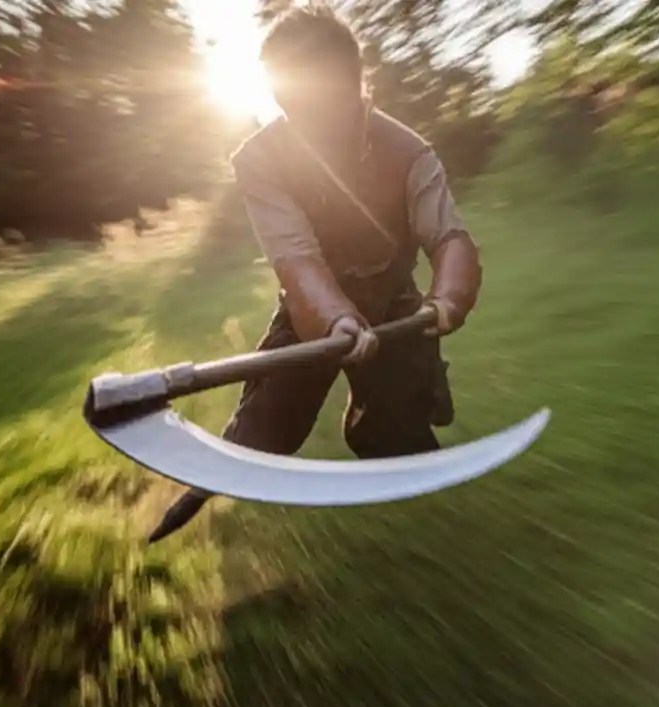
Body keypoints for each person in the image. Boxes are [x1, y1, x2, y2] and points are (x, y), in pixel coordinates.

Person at [147, 5, 482, 543]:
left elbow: (449, 237)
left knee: (399, 444)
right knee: (261, 434)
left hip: (396, 305)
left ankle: (384, 431)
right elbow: (295, 256)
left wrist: (448, 299)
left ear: (358, 84)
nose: (314, 125)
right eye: (294, 105)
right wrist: (332, 322)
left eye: (325, 103)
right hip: (310, 311)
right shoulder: (259, 159)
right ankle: (204, 491)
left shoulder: (411, 153)